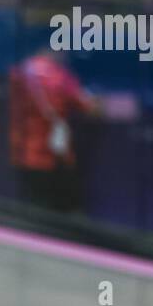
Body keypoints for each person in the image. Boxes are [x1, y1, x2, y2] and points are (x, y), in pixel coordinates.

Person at [8, 47, 101, 214]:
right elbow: (90, 107)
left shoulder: (19, 71)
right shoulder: (60, 77)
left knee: (31, 203)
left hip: (22, 151)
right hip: (51, 155)